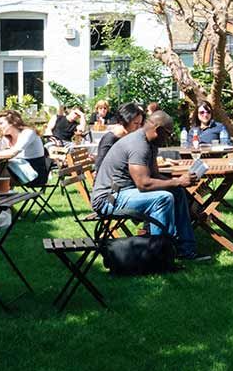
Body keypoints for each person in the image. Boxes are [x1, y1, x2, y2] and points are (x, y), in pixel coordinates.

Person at [89, 109, 208, 261]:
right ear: (158, 130)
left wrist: (179, 182)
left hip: (125, 192)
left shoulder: (150, 143)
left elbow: (154, 175)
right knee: (163, 198)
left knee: (177, 192)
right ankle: (160, 256)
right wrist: (177, 181)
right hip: (108, 199)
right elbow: (144, 184)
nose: (169, 138)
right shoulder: (138, 145)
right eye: (169, 134)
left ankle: (186, 250)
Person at [0, 110, 50, 187]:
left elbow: (13, 152)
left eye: (1, 123)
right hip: (18, 171)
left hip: (35, 174)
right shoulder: (7, 137)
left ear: (12, 122)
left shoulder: (28, 133)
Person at [93, 103, 145, 174]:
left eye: (140, 124)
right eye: (136, 123)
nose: (138, 128)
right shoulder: (109, 139)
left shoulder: (130, 137)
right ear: (124, 121)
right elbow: (100, 167)